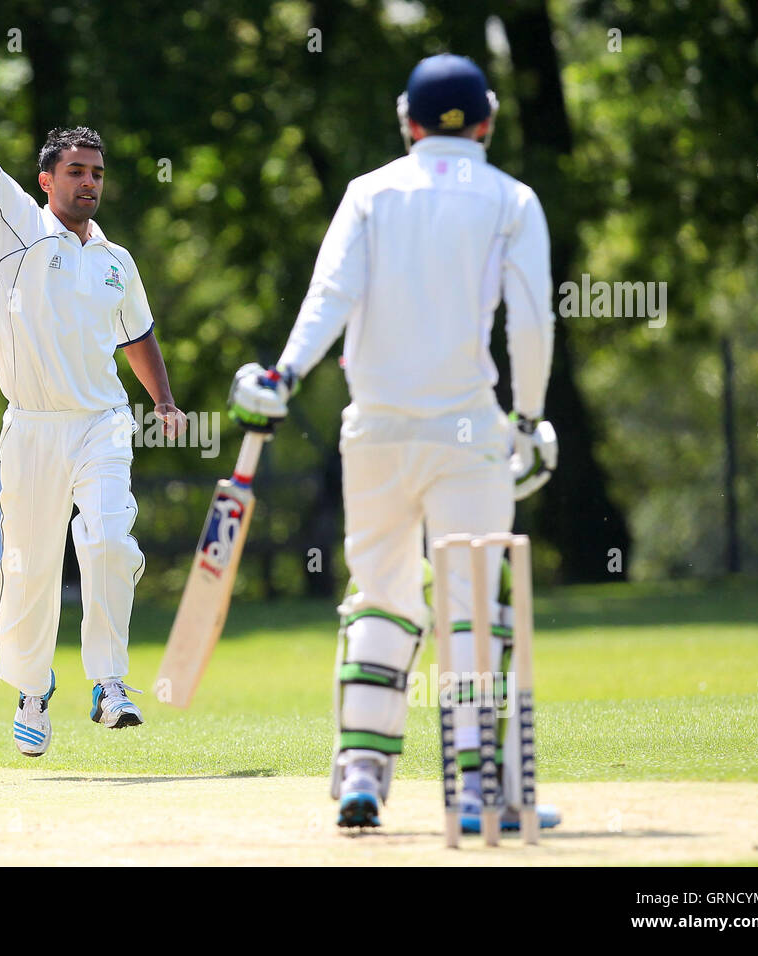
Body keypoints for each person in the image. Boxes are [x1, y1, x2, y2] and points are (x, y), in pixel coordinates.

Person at [227, 54, 560, 833]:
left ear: (407, 119)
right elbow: (534, 321)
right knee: (474, 600)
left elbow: (331, 295)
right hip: (469, 430)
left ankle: (364, 773)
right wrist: (530, 419)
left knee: (379, 592)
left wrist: (284, 373)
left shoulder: (369, 193)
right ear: (487, 120)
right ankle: (480, 786)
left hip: (374, 428)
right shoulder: (512, 199)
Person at [0, 49, 185, 757]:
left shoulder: (116, 260)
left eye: (98, 173)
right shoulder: (17, 225)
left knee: (111, 540)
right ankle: (31, 688)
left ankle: (110, 683)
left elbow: (137, 333)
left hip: (102, 424)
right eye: (76, 172)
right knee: (27, 566)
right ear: (47, 178)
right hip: (32, 430)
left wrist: (166, 402)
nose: (89, 184)